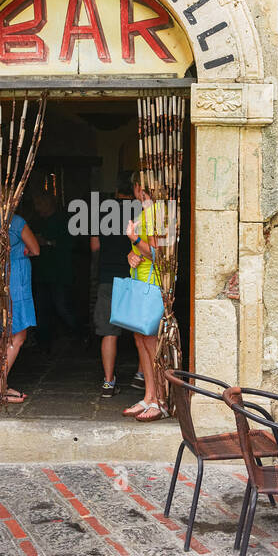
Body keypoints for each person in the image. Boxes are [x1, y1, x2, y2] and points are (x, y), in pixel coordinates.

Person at [0, 207, 40, 403]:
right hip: (15, 278)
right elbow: (36, 249)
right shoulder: (18, 222)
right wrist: (23, 250)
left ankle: (0, 384)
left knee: (3, 333)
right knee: (18, 335)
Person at [123, 174, 167, 422]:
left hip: (153, 282)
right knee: (140, 338)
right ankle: (148, 396)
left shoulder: (157, 212)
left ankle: (159, 399)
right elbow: (141, 253)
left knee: (151, 341)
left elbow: (157, 254)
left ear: (140, 187)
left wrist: (134, 239)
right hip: (141, 280)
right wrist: (130, 254)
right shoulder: (146, 212)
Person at [90, 172, 136, 398]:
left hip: (108, 277)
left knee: (109, 332)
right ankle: (142, 376)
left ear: (116, 191)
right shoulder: (141, 212)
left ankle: (108, 382)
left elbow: (95, 246)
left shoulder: (101, 211)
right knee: (142, 330)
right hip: (134, 277)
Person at [31, 192, 78, 350]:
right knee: (41, 310)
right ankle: (43, 344)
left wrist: (47, 242)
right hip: (41, 274)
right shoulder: (36, 222)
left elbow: (70, 244)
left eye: (39, 204)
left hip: (59, 273)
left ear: (49, 203)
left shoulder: (63, 221)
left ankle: (79, 335)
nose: (37, 208)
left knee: (63, 307)